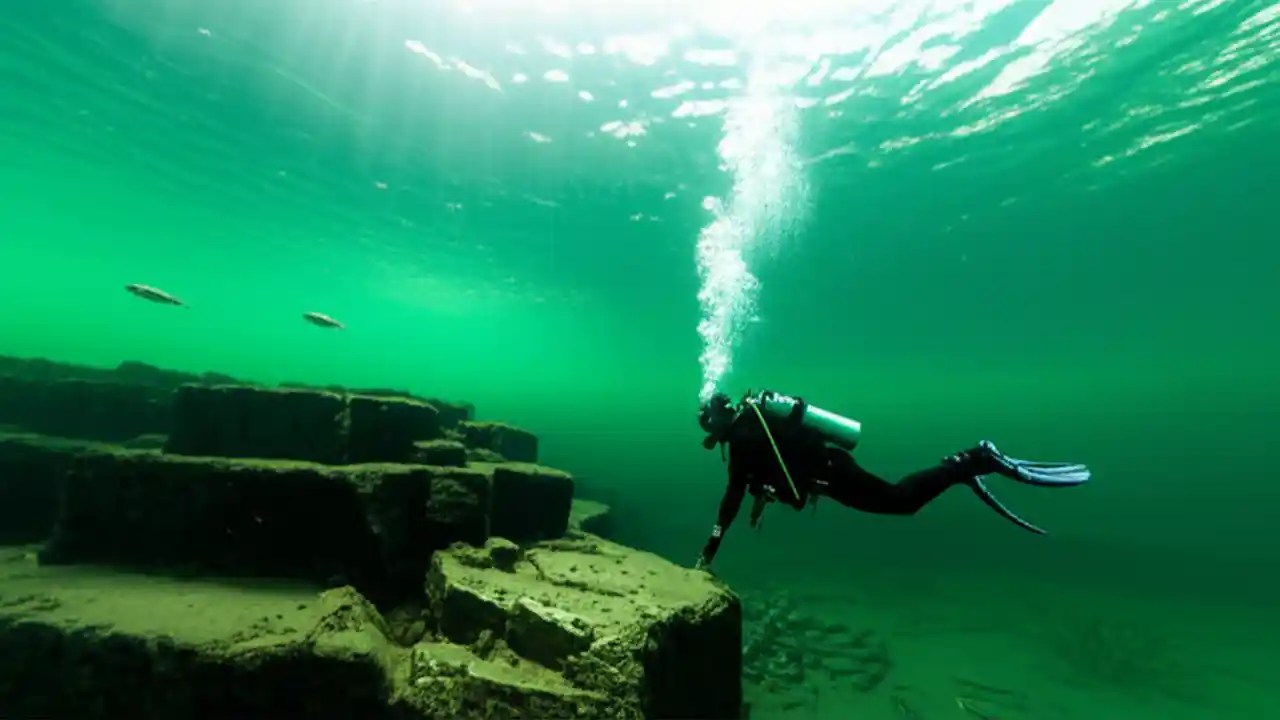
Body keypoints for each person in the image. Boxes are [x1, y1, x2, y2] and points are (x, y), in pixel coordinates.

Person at [694, 389, 1091, 570]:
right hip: (829, 474)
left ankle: (972, 460)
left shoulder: (744, 438)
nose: (712, 433)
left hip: (832, 473)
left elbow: (733, 493)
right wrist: (758, 503)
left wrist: (710, 548)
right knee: (902, 502)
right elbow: (764, 472)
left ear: (719, 420)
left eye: (709, 425)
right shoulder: (750, 431)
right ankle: (963, 469)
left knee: (902, 501)